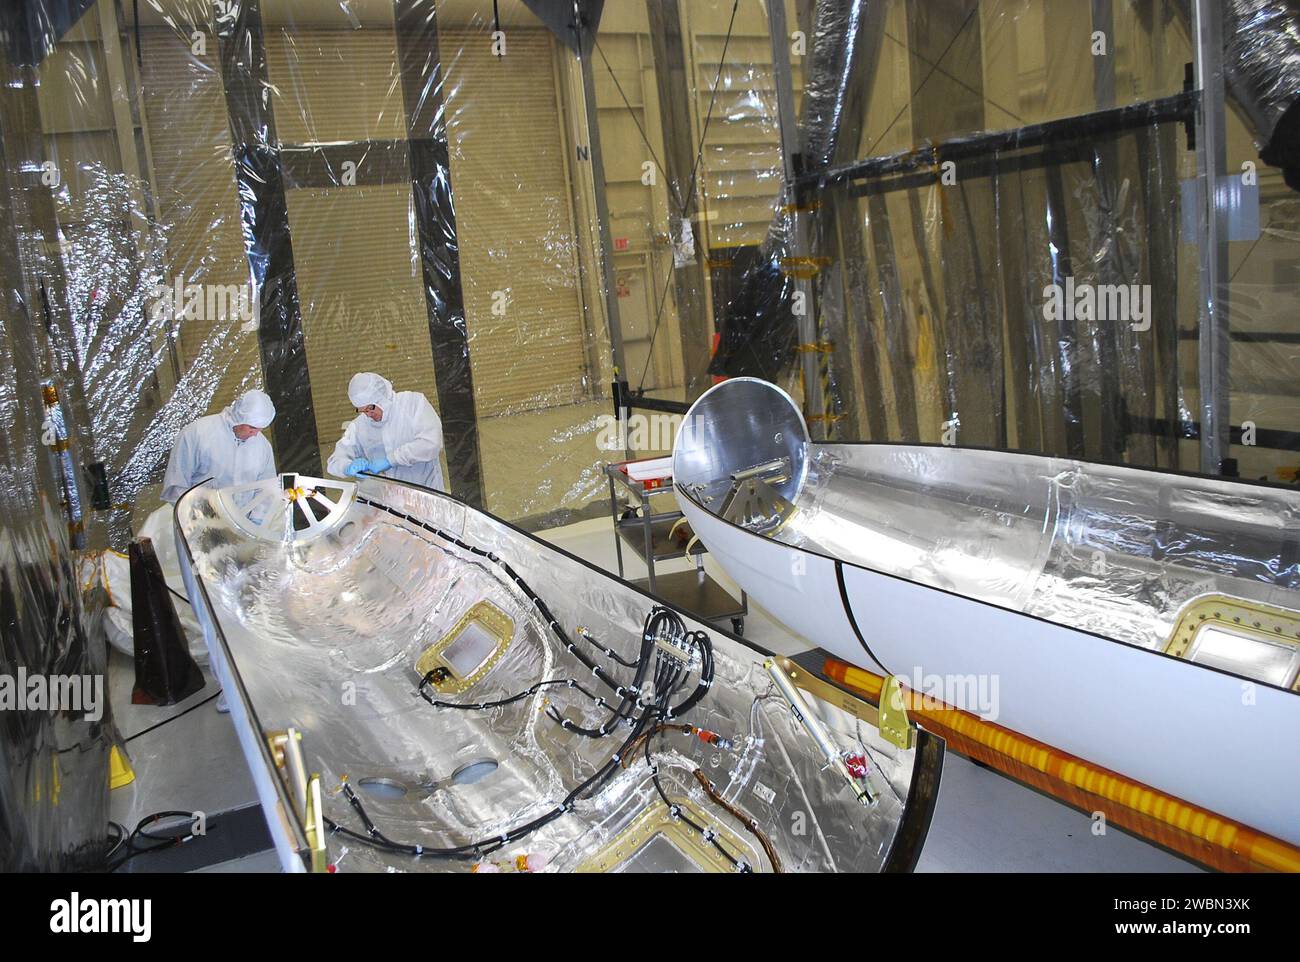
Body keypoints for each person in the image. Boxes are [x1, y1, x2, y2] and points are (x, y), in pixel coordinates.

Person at [327, 372, 445, 490]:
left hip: (428, 494)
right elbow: (334, 461)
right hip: (387, 502)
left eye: (370, 408)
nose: (368, 415)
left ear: (381, 397)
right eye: (362, 411)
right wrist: (347, 467)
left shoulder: (413, 404)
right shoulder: (358, 426)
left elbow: (432, 443)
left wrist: (391, 460)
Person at [161, 389, 277, 503]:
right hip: (199, 518)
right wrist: (195, 515)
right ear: (239, 418)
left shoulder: (262, 447)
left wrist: (255, 520)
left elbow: (266, 490)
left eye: (260, 428)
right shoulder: (197, 434)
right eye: (252, 428)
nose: (255, 434)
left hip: (242, 520)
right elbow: (176, 485)